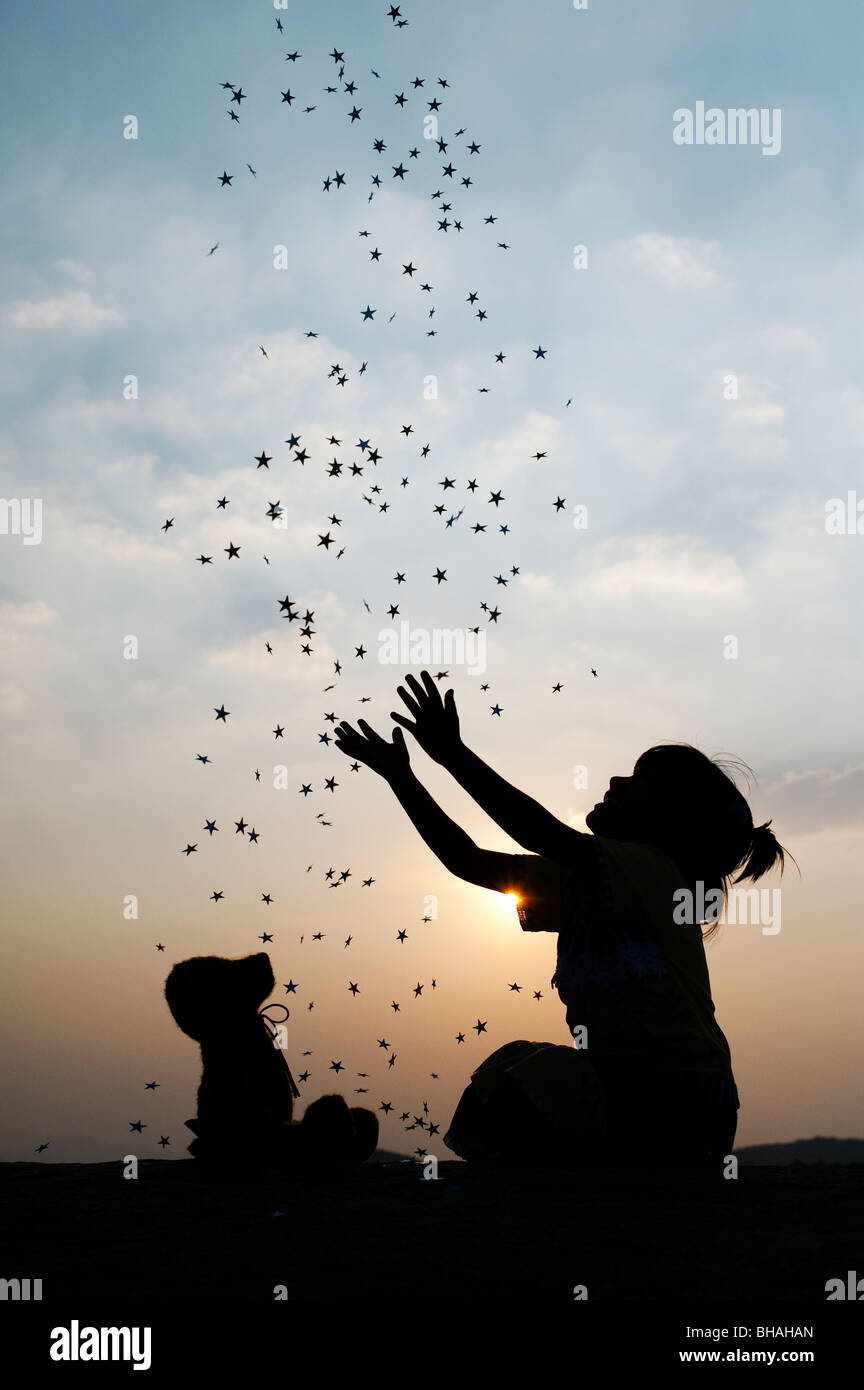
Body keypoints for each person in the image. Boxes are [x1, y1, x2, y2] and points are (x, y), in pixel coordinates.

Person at [334, 672, 794, 1168]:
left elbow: (539, 831)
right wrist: (401, 777)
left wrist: (453, 755)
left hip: (683, 1102)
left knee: (540, 1078)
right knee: (517, 1070)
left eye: (637, 783)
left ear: (667, 822)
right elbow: (467, 860)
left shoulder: (656, 871)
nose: (616, 782)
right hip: (627, 1091)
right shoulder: (583, 878)